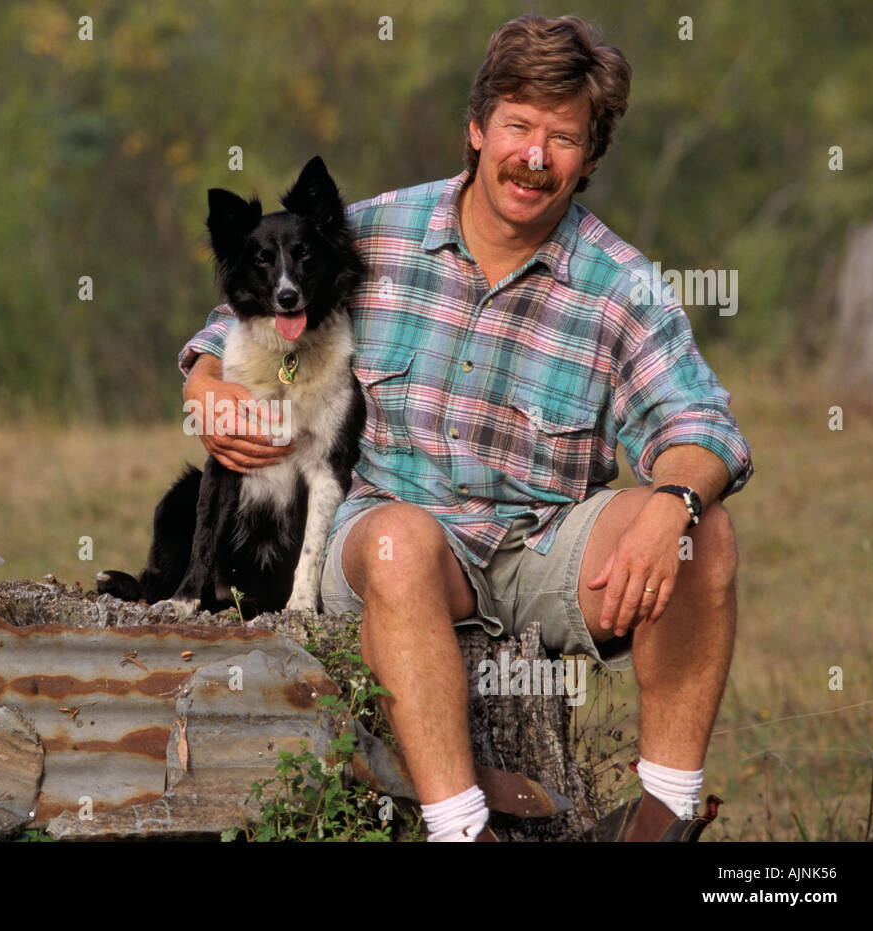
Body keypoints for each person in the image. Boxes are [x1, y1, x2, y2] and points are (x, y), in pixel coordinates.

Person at [177, 14, 753, 841]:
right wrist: (203, 379)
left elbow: (701, 423)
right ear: (477, 130)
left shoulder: (623, 282)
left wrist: (673, 504)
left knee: (708, 531)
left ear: (588, 159)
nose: (534, 155)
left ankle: (661, 816)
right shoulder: (375, 233)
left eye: (563, 138)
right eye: (518, 126)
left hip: (540, 542)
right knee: (400, 543)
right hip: (386, 539)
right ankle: (460, 827)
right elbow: (237, 306)